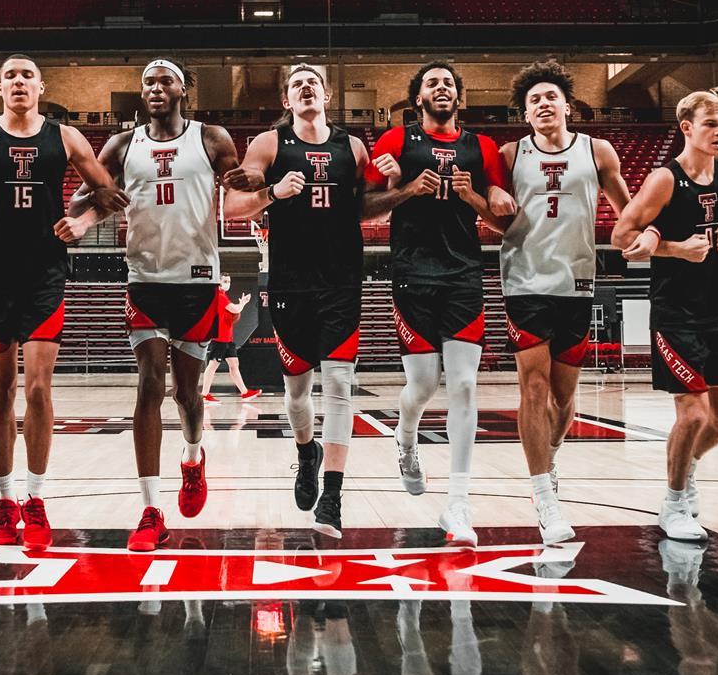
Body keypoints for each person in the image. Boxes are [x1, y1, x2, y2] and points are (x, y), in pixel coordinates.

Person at [0, 55, 125, 551]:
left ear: (41, 86)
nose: (19, 82)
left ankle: (37, 500)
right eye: (10, 76)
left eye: (27, 75)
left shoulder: (65, 137)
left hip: (45, 275)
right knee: (1, 395)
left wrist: (83, 222)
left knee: (39, 391)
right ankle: (5, 501)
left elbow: (110, 193)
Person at [67, 60, 240, 550]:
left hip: (197, 281)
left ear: (184, 89)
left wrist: (261, 184)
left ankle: (192, 456)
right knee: (148, 386)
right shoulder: (122, 145)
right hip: (144, 278)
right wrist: (86, 206)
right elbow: (85, 198)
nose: (156, 88)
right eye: (148, 82)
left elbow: (237, 185)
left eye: (165, 80)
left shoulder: (211, 138)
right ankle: (149, 510)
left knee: (188, 397)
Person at [222, 63, 383, 537]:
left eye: (313, 81)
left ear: (327, 95)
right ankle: (305, 452)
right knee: (296, 396)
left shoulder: (352, 146)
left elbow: (370, 208)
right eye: (296, 84)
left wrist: (393, 183)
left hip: (342, 281)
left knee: (338, 386)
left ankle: (332, 495)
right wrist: (272, 192)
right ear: (287, 101)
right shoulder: (271, 144)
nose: (306, 87)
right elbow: (233, 205)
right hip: (291, 282)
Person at [366, 62, 516, 546]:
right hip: (412, 274)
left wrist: (481, 195)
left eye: (448, 83)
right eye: (432, 83)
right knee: (424, 384)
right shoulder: (393, 143)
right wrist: (402, 188)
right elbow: (361, 207)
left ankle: (458, 505)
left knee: (466, 386)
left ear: (460, 97)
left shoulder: (483, 147)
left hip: (464, 275)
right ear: (418, 100)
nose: (442, 88)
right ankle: (405, 435)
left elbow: (500, 219)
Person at [495, 59, 630, 546]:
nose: (543, 104)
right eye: (534, 100)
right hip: (524, 281)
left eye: (551, 97)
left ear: (567, 106)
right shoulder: (511, 155)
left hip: (577, 282)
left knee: (563, 397)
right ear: (526, 114)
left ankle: (547, 459)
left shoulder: (598, 150)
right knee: (532, 388)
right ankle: (543, 495)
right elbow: (494, 215)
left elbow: (626, 211)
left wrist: (642, 234)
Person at [611, 88, 718, 545]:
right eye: (711, 124)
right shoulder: (664, 180)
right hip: (675, 310)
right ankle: (673, 501)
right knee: (691, 417)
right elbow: (620, 234)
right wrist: (672, 248)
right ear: (687, 128)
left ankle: (685, 470)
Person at [199, 275, 259, 402]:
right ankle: (204, 394)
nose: (228, 283)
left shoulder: (224, 296)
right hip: (219, 338)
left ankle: (245, 393)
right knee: (212, 365)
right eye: (225, 281)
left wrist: (241, 304)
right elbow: (235, 308)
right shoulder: (219, 296)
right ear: (219, 282)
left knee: (234, 364)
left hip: (227, 338)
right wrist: (242, 303)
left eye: (229, 281)